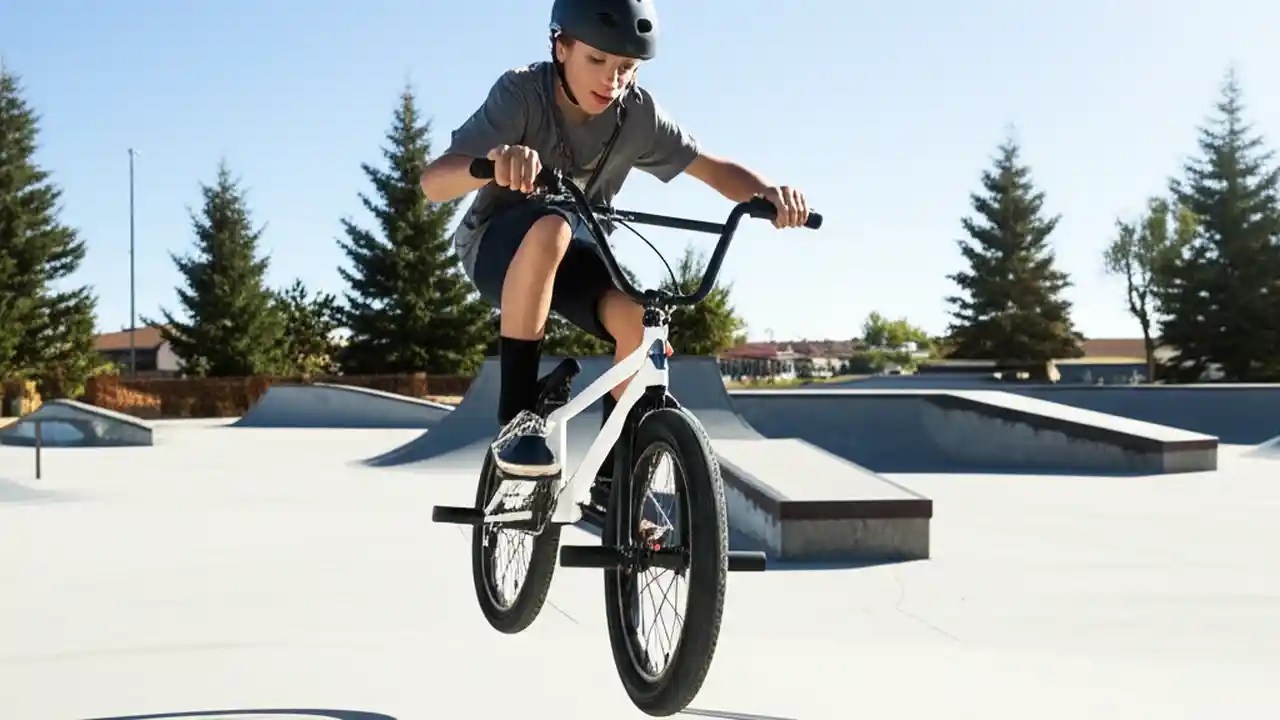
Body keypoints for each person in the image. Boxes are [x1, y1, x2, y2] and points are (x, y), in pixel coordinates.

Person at [419, 0, 810, 501]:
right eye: (597, 62)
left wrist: (770, 194)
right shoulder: (521, 94)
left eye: (626, 68)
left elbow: (713, 170)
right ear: (561, 47)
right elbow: (433, 182)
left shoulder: (637, 115)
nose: (612, 81)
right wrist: (490, 165)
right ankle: (516, 418)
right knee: (551, 229)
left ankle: (614, 479)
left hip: (579, 255)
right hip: (500, 248)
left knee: (639, 319)